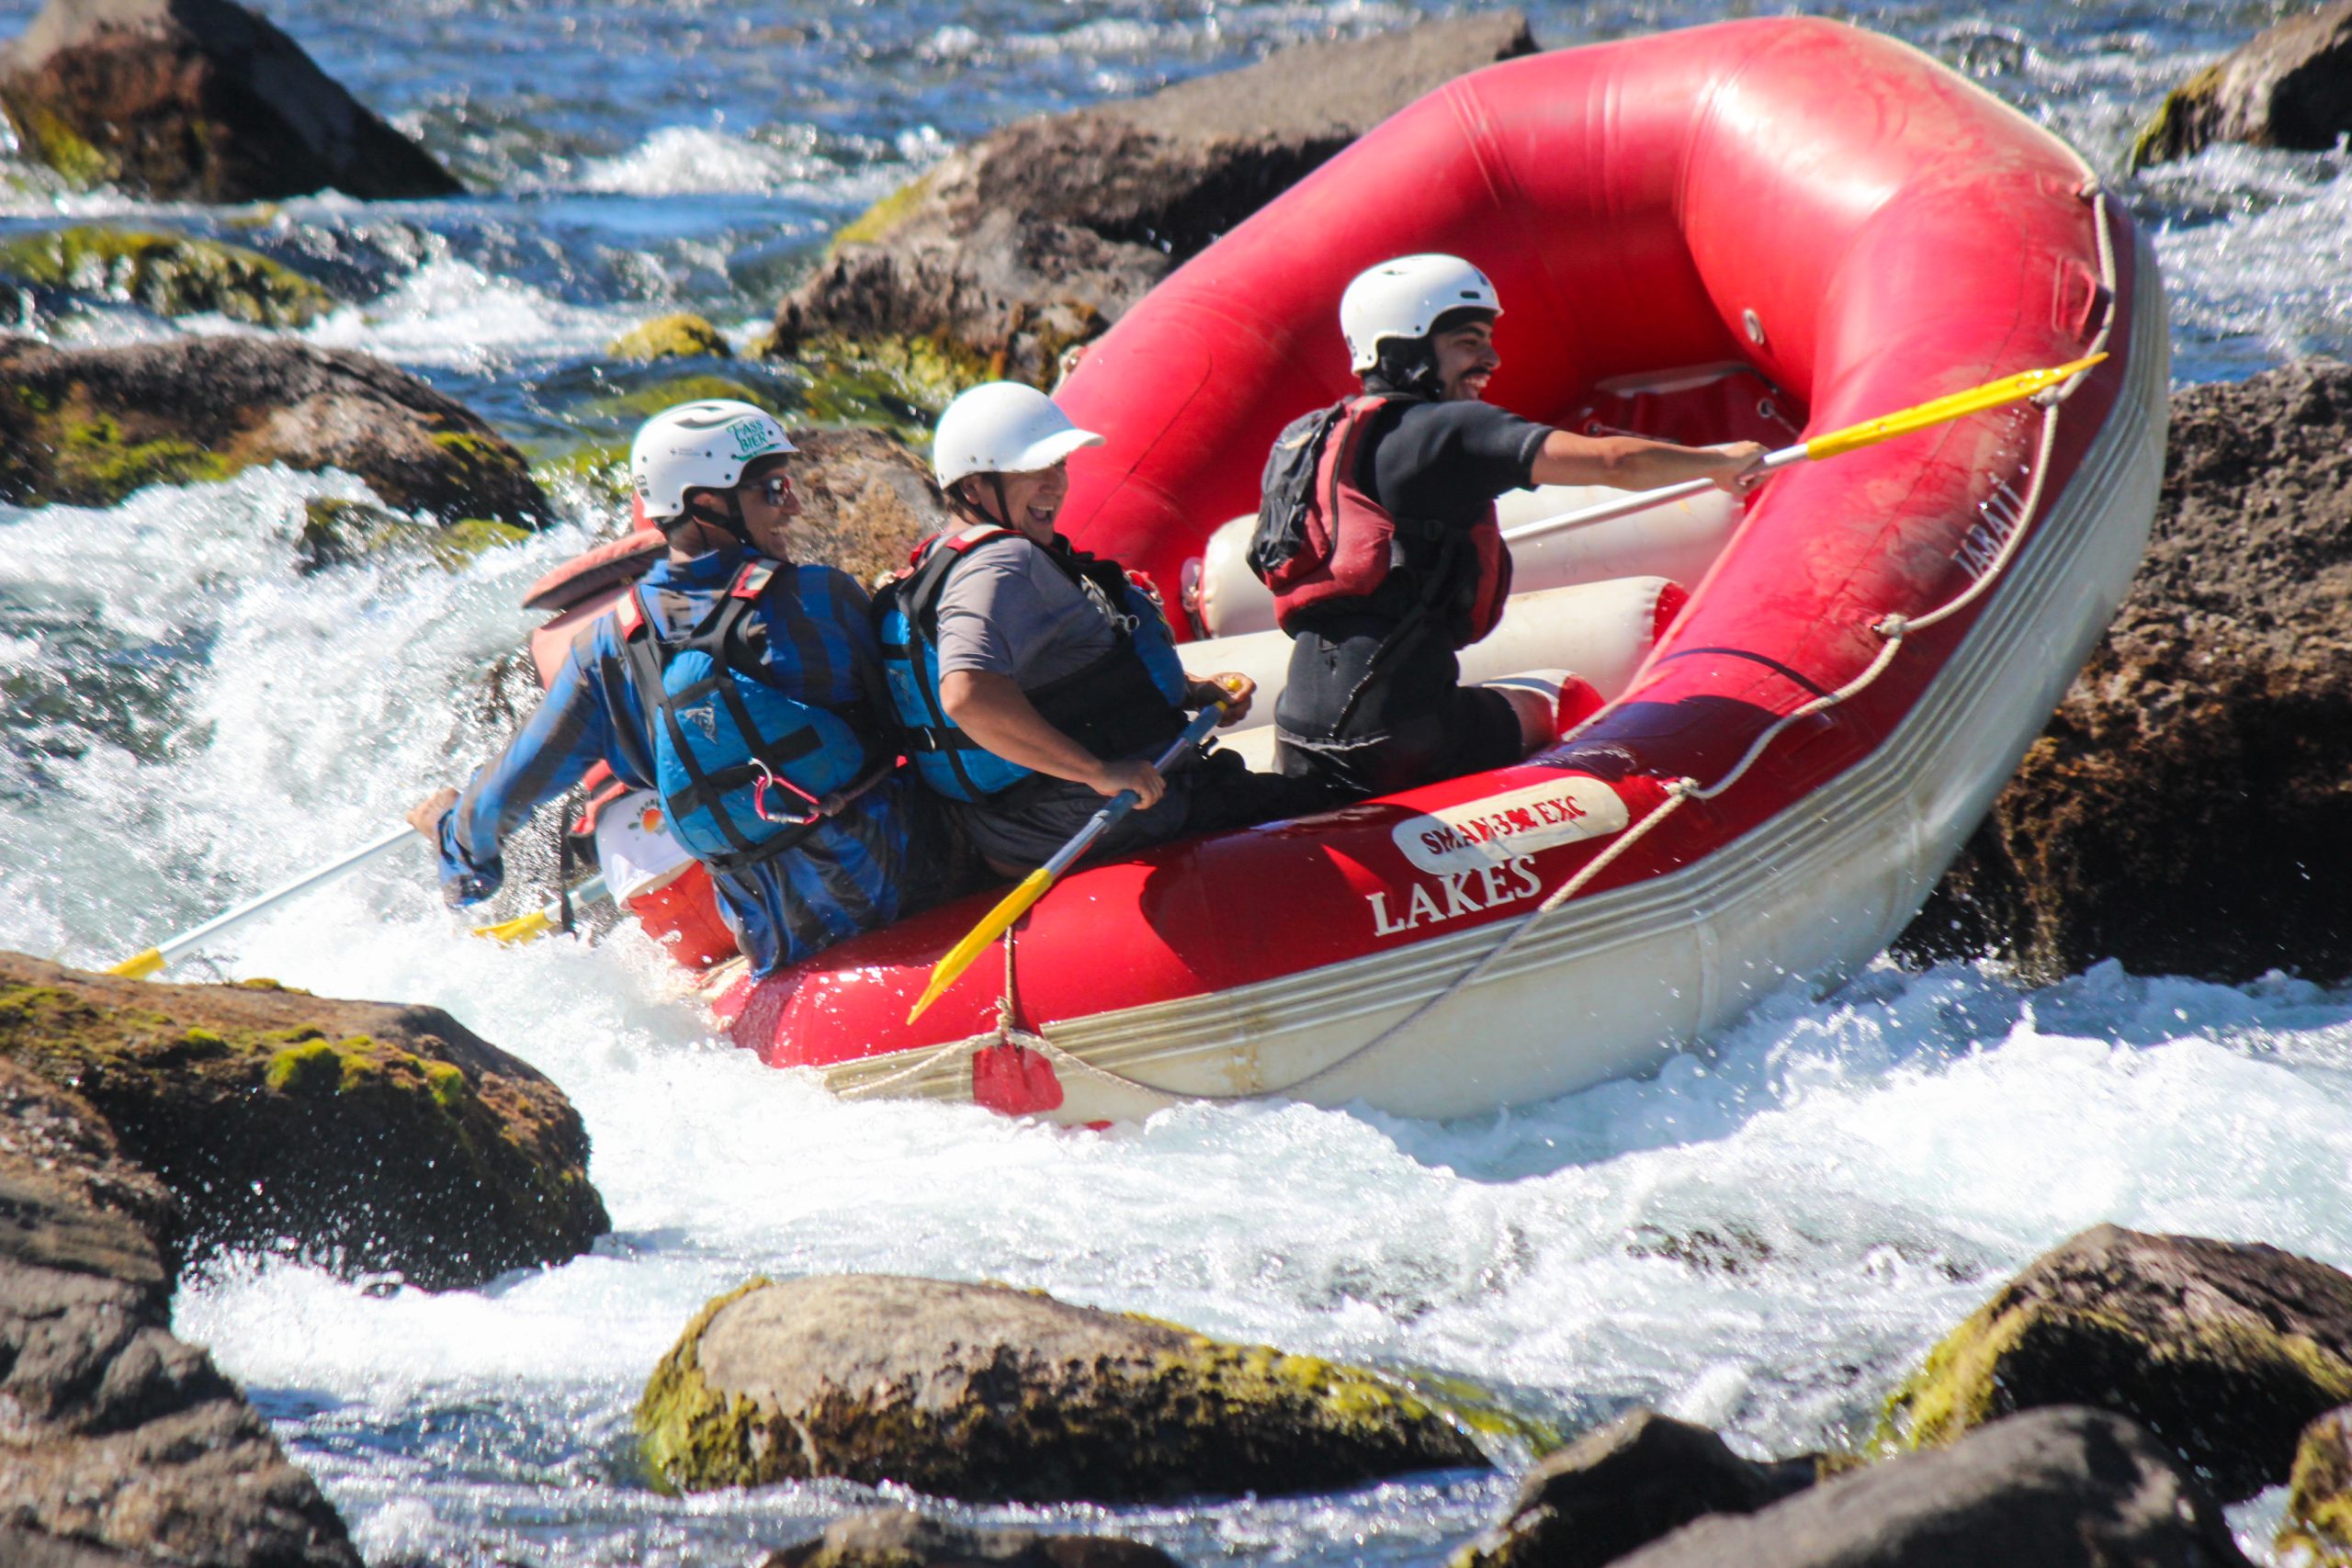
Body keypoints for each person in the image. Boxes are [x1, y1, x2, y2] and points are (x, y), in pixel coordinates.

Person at [409, 399, 949, 976]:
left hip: (779, 937)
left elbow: (504, 792)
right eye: (772, 489)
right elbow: (923, 724)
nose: (792, 506)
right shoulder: (820, 597)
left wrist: (457, 844)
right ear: (707, 505)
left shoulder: (605, 651)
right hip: (921, 887)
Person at [1255, 253, 1769, 801]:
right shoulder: (1450, 430)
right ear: (1408, 344)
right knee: (1552, 700)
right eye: (1469, 342)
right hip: (1401, 736)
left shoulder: (1304, 443)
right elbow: (1613, 462)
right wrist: (1717, 462)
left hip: (1301, 737)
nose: (1491, 358)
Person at [877, 381, 1319, 877]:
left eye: (1058, 465)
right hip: (1101, 818)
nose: (1055, 484)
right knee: (1327, 801)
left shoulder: (939, 561)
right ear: (973, 487)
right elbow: (966, 694)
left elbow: (1056, 686)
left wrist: (1189, 690)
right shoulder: (1002, 561)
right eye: (1031, 470)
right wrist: (1098, 773)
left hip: (1019, 827)